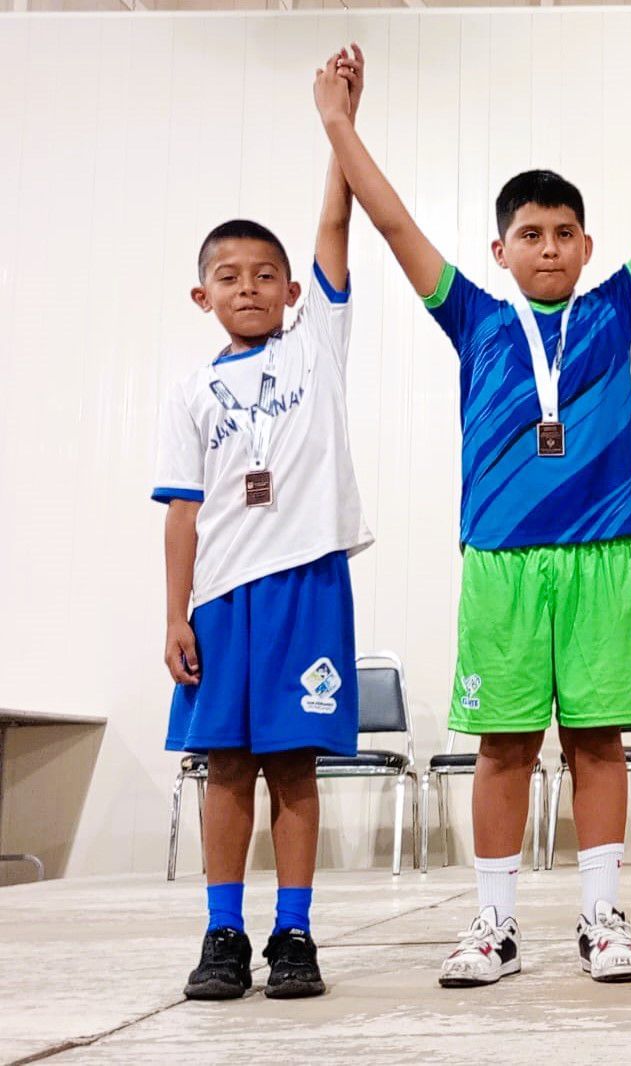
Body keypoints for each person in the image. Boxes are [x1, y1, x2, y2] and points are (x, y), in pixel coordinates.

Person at [315, 54, 631, 985]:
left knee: (597, 740)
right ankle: (493, 924)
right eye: (529, 234)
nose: (547, 247)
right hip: (499, 560)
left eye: (564, 233)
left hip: (603, 556)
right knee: (501, 745)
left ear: (585, 247)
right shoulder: (476, 321)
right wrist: (340, 126)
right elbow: (392, 221)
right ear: (499, 250)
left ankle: (601, 918)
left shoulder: (614, 312)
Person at [154, 47, 371, 1003]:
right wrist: (175, 614)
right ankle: (221, 933)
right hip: (223, 597)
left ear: (291, 292)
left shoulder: (315, 346)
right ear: (203, 295)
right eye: (228, 276)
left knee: (292, 766)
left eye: (266, 274)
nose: (249, 286)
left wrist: (339, 125)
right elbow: (182, 513)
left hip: (306, 582)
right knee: (227, 767)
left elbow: (335, 221)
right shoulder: (191, 390)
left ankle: (294, 933)